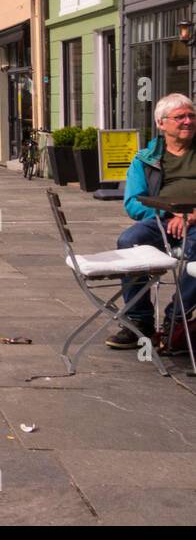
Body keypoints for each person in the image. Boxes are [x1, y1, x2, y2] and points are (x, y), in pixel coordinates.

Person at [109, 93, 196, 352]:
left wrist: (190, 216)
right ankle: (140, 321)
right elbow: (134, 203)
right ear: (161, 123)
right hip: (161, 221)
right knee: (129, 240)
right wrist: (169, 216)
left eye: (191, 116)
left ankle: (177, 317)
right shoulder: (145, 159)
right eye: (180, 117)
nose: (188, 121)